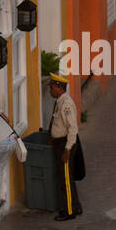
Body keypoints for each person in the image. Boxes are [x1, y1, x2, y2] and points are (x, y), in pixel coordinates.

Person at [48, 73, 83, 221]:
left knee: (66, 181)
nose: (50, 90)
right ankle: (76, 206)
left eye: (51, 87)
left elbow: (73, 128)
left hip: (64, 145)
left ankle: (69, 211)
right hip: (59, 143)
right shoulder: (59, 101)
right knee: (66, 179)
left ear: (59, 87)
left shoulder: (66, 104)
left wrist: (67, 149)